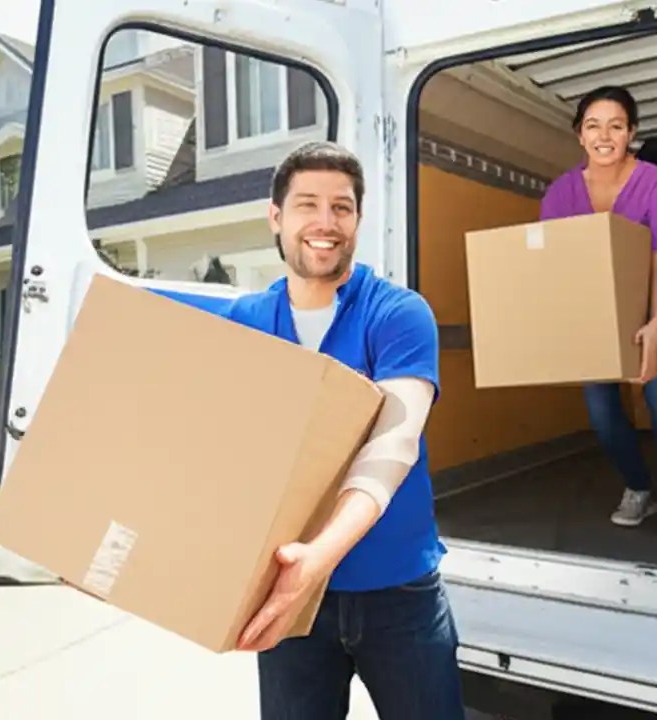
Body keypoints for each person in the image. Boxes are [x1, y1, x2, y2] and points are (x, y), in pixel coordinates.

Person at [223, 141, 466, 719]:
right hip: (291, 599)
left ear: (357, 220)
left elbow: (394, 444)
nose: (325, 223)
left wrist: (317, 559)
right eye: (308, 205)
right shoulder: (247, 324)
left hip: (398, 593)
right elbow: (227, 454)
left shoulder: (397, 313)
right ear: (277, 217)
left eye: (343, 207)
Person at [538, 85, 657, 538]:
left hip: (655, 301)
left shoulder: (653, 181)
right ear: (579, 135)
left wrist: (656, 322)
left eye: (616, 125)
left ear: (631, 132)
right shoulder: (561, 192)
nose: (604, 135)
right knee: (601, 409)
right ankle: (638, 488)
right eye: (593, 125)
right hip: (593, 306)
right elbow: (550, 262)